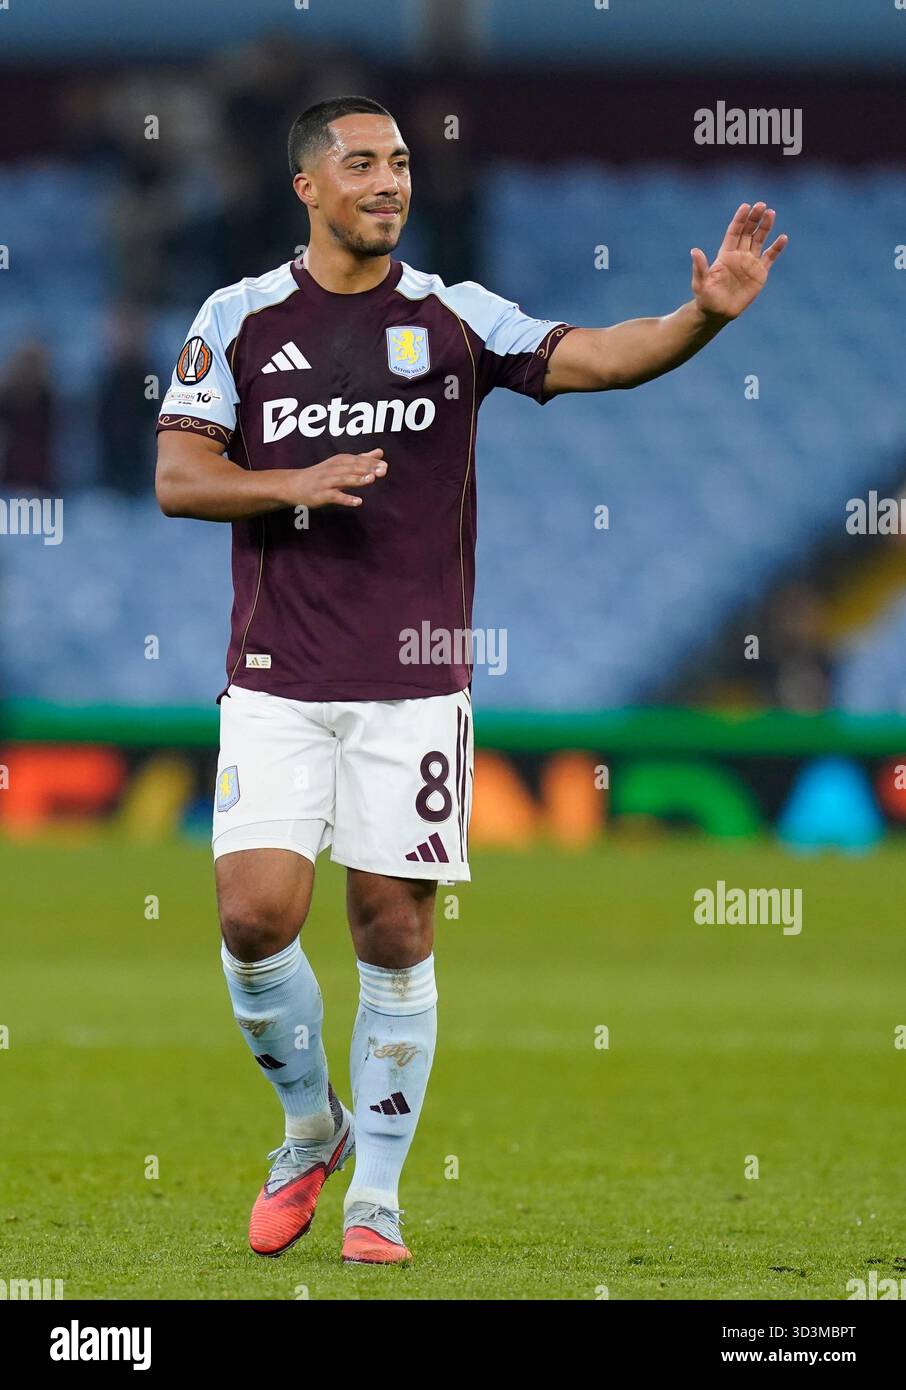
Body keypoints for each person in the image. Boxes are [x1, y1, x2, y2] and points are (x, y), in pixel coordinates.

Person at [154, 95, 786, 1265]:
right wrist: (294, 480)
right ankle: (309, 1129)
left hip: (414, 683)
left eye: (399, 163)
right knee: (253, 917)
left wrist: (700, 320)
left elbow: (594, 356)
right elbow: (181, 477)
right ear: (306, 184)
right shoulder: (237, 316)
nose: (389, 181)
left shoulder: (452, 313)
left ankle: (376, 1200)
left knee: (392, 931)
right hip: (277, 676)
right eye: (362, 164)